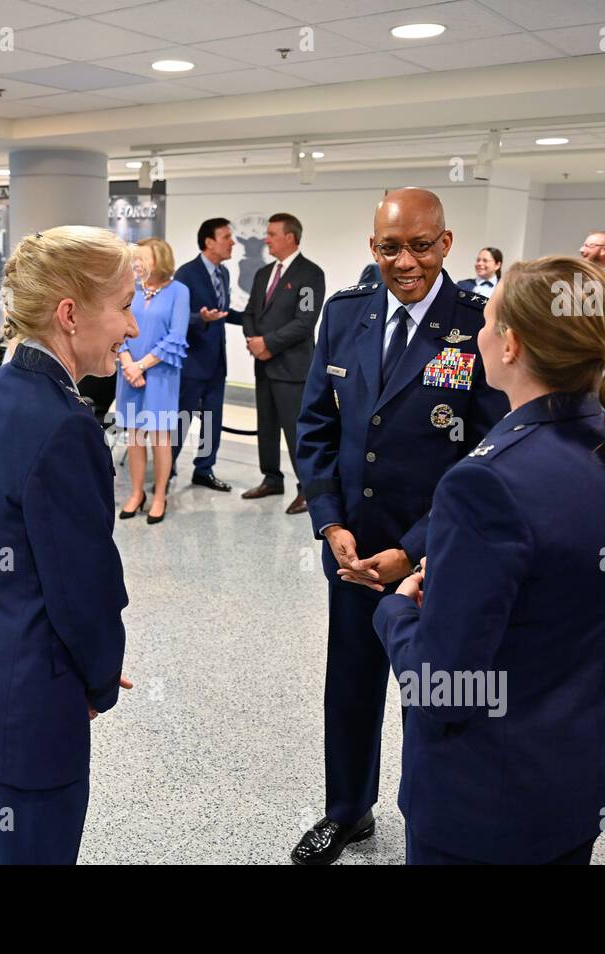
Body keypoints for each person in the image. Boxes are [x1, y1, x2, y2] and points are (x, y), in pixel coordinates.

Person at [374, 256, 605, 864]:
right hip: (574, 776)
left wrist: (396, 613)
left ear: (510, 344)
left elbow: (445, 688)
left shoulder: (486, 482)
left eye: (485, 320)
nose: (477, 334)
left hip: (482, 797)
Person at [292, 187, 508, 865]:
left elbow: (489, 454)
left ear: (446, 244)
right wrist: (330, 527)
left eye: (420, 244)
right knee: (350, 687)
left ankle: (431, 826)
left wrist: (413, 550)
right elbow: (316, 428)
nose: (405, 260)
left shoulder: (478, 326)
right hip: (353, 552)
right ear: (372, 248)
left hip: (434, 556)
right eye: (390, 247)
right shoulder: (345, 315)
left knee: (428, 696)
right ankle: (347, 812)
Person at [0, 226, 135, 864]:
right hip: (28, 712)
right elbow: (82, 586)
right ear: (70, 315)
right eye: (124, 305)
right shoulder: (66, 426)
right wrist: (98, 679)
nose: (131, 327)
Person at [239, 212, 326, 515]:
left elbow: (305, 322)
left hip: (293, 368)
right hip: (263, 364)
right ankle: (272, 478)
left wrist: (268, 344)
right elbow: (250, 312)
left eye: (272, 234)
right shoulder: (264, 274)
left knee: (296, 432)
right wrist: (254, 341)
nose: (267, 239)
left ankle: (307, 489)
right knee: (266, 426)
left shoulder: (310, 274)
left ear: (290, 237)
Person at [116, 238, 189, 524]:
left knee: (160, 438)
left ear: (159, 261)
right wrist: (127, 363)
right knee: (134, 437)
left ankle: (159, 496)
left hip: (160, 374)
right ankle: (136, 493)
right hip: (128, 372)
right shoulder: (129, 289)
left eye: (141, 258)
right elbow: (116, 327)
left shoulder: (178, 292)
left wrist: (142, 366)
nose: (136, 263)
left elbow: (176, 336)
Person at [172, 217, 241, 492]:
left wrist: (259, 321)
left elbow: (223, 311)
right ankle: (167, 468)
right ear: (209, 242)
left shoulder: (223, 274)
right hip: (192, 361)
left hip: (216, 361)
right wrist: (200, 319)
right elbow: (176, 317)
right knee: (182, 418)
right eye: (226, 237)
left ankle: (204, 469)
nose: (232, 242)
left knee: (213, 419)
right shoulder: (186, 274)